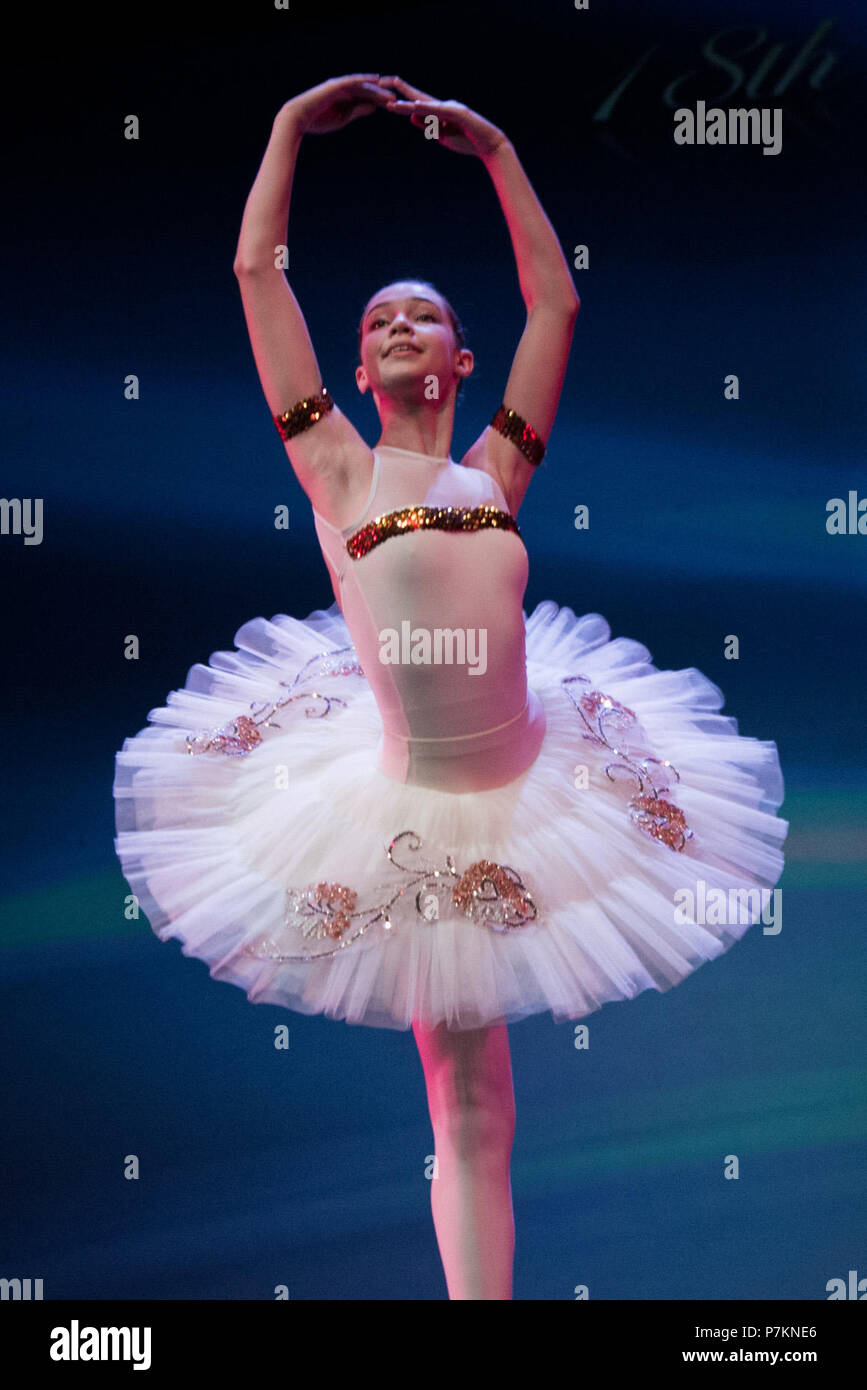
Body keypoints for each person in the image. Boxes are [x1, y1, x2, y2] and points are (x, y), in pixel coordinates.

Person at [113, 75, 788, 1300]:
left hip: (545, 772)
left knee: (490, 1115)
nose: (392, 328)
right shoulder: (337, 474)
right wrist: (281, 133)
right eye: (375, 323)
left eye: (419, 316)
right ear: (360, 377)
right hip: (416, 821)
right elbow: (259, 276)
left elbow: (557, 298)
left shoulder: (498, 473)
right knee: (465, 1105)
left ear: (460, 357)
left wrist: (494, 147)